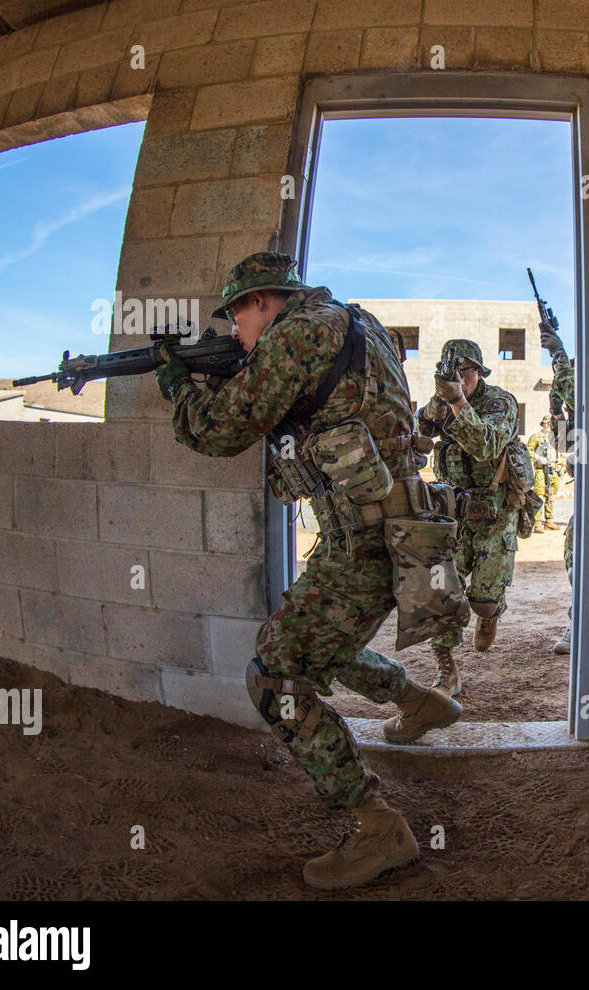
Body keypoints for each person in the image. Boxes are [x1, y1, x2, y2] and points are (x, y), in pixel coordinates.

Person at [156, 252, 462, 889]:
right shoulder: (360, 322)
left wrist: (181, 388)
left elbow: (217, 431)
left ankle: (378, 825)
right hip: (399, 527)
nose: (235, 331)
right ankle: (420, 701)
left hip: (362, 541)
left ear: (261, 301)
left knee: (273, 674)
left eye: (237, 315)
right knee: (324, 644)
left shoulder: (295, 333)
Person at [417, 340, 520, 695]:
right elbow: (420, 431)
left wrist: (457, 402)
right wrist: (436, 405)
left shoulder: (500, 402)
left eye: (468, 372)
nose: (463, 380)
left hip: (494, 517)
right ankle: (447, 670)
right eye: (454, 374)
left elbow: (488, 444)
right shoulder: (443, 403)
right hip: (452, 518)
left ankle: (488, 615)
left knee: (484, 598)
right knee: (442, 594)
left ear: (480, 372)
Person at [541, 320, 575, 656]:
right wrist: (557, 412)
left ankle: (580, 621)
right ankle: (578, 618)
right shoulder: (578, 407)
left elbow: (581, 394)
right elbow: (566, 444)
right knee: (574, 552)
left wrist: (558, 354)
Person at [527, 415, 562, 533]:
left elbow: (559, 452)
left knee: (551, 496)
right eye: (546, 423)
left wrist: (561, 466)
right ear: (542, 424)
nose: (548, 426)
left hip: (554, 471)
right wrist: (537, 458)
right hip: (541, 470)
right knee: (539, 496)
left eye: (550, 424)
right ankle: (537, 523)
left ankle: (549, 521)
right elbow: (528, 450)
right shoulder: (536, 437)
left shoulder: (555, 438)